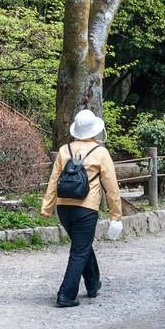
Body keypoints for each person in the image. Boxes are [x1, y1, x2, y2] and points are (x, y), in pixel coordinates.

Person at [41, 109, 124, 307]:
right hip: (86, 209)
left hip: (64, 208)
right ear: (95, 130)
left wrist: (47, 206)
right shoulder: (101, 152)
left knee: (82, 245)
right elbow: (111, 187)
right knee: (79, 250)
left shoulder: (64, 150)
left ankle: (93, 284)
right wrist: (116, 216)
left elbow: (54, 180)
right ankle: (66, 294)